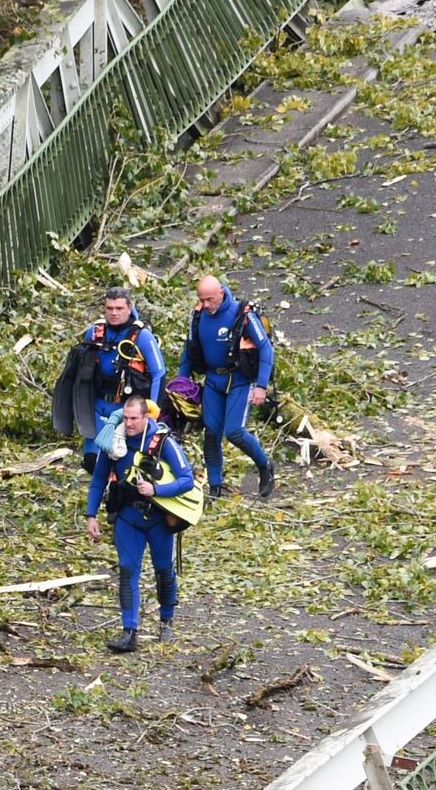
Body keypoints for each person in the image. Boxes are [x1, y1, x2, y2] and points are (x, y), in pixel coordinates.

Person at [85, 396, 195, 653]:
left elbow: (187, 479)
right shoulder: (113, 441)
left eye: (135, 418)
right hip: (127, 516)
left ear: (147, 417)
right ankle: (129, 631)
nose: (129, 423)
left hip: (158, 518)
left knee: (163, 569)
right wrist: (91, 515)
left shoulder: (162, 441)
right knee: (127, 569)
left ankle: (166, 620)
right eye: (126, 418)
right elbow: (99, 478)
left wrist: (156, 489)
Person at [179, 276, 274, 499]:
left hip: (240, 380)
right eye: (201, 300)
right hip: (213, 380)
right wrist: (181, 384)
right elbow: (189, 351)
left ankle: (265, 465)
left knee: (234, 432)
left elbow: (266, 349)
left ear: (221, 293)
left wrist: (261, 386)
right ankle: (215, 487)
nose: (205, 305)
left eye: (210, 300)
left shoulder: (242, 314)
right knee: (211, 433)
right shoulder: (198, 315)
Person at [54, 287, 165, 472]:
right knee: (92, 463)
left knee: (123, 465)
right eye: (109, 308)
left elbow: (159, 374)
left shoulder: (141, 337)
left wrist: (152, 410)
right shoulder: (94, 333)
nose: (114, 313)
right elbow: (77, 372)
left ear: (129, 308)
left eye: (119, 308)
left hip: (125, 410)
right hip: (98, 407)